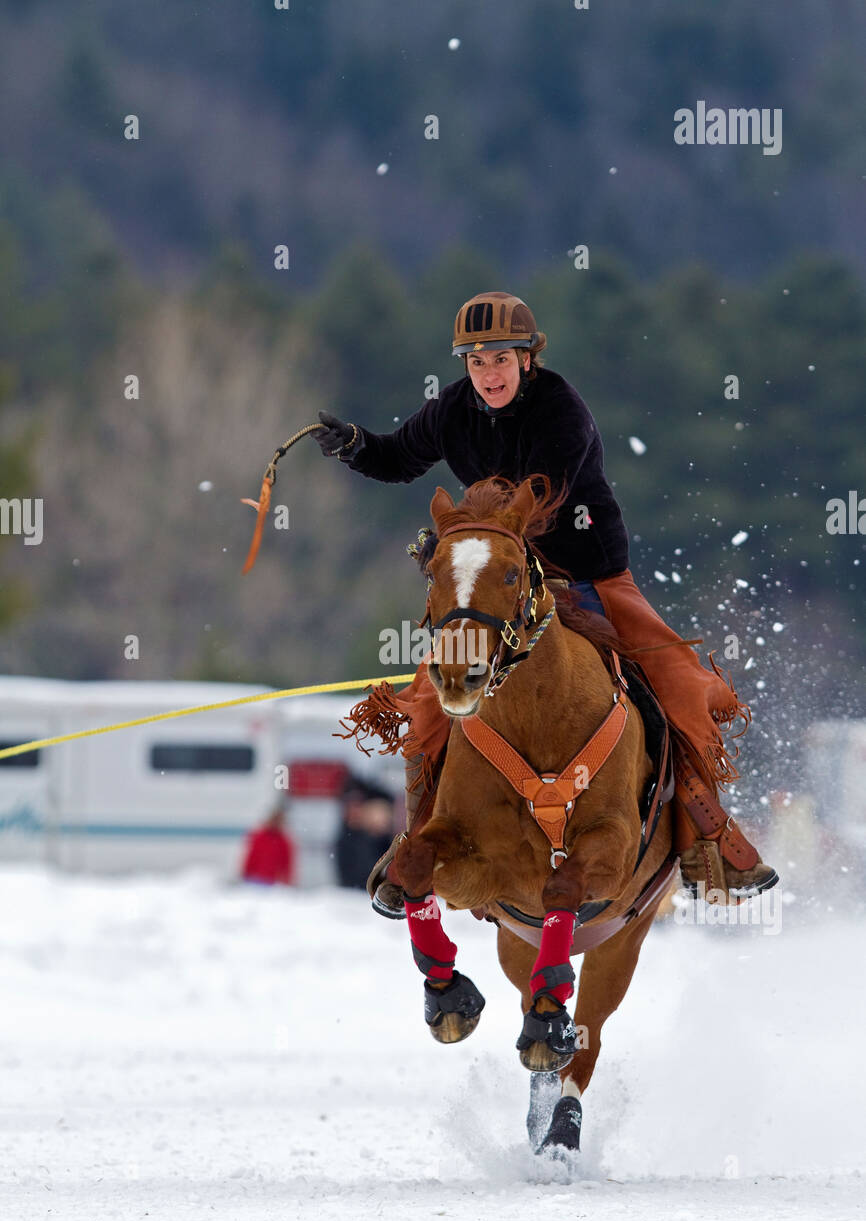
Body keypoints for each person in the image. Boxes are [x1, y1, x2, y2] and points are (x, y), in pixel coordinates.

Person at [313, 291, 777, 913]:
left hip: (586, 572)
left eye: (501, 359)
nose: (489, 374)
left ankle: (708, 837)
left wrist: (466, 538)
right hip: (500, 583)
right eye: (476, 363)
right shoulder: (452, 408)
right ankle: (418, 839)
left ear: (528, 359)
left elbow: (537, 499)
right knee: (431, 699)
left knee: (679, 684)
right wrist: (354, 445)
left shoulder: (563, 410)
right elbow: (400, 457)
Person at [240, 805, 296, 886]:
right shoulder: (259, 836)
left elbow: (287, 862)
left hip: (273, 882)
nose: (275, 823)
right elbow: (251, 857)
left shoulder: (284, 840)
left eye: (278, 821)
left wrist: (287, 879)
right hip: (255, 879)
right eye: (274, 820)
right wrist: (245, 873)